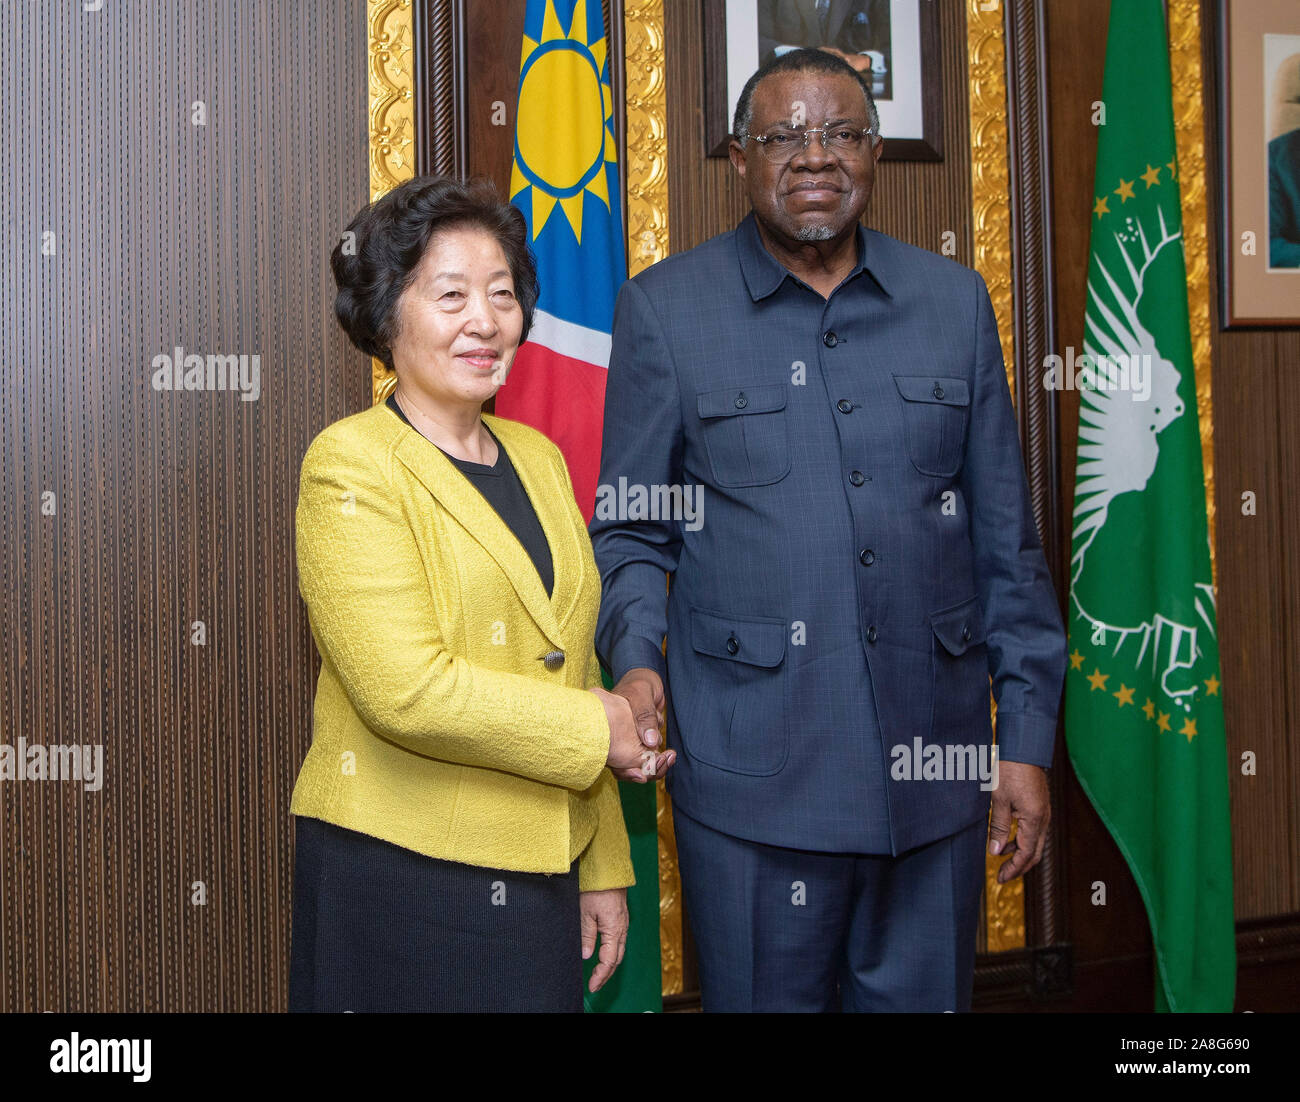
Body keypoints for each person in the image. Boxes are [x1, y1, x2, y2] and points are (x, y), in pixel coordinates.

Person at [590, 49, 1065, 1011]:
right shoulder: (666, 311)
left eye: (841, 132)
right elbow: (637, 533)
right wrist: (636, 660)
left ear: (875, 151)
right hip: (753, 787)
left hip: (933, 782)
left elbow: (1005, 544)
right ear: (738, 157)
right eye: (783, 135)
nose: (815, 156)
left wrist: (1025, 739)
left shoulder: (954, 305)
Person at [288, 175, 673, 1012]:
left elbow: (569, 667)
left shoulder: (536, 456)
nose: (485, 320)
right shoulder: (350, 463)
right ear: (388, 315)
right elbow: (406, 691)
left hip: (542, 870)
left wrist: (603, 864)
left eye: (502, 295)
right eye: (451, 294)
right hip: (403, 869)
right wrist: (596, 729)